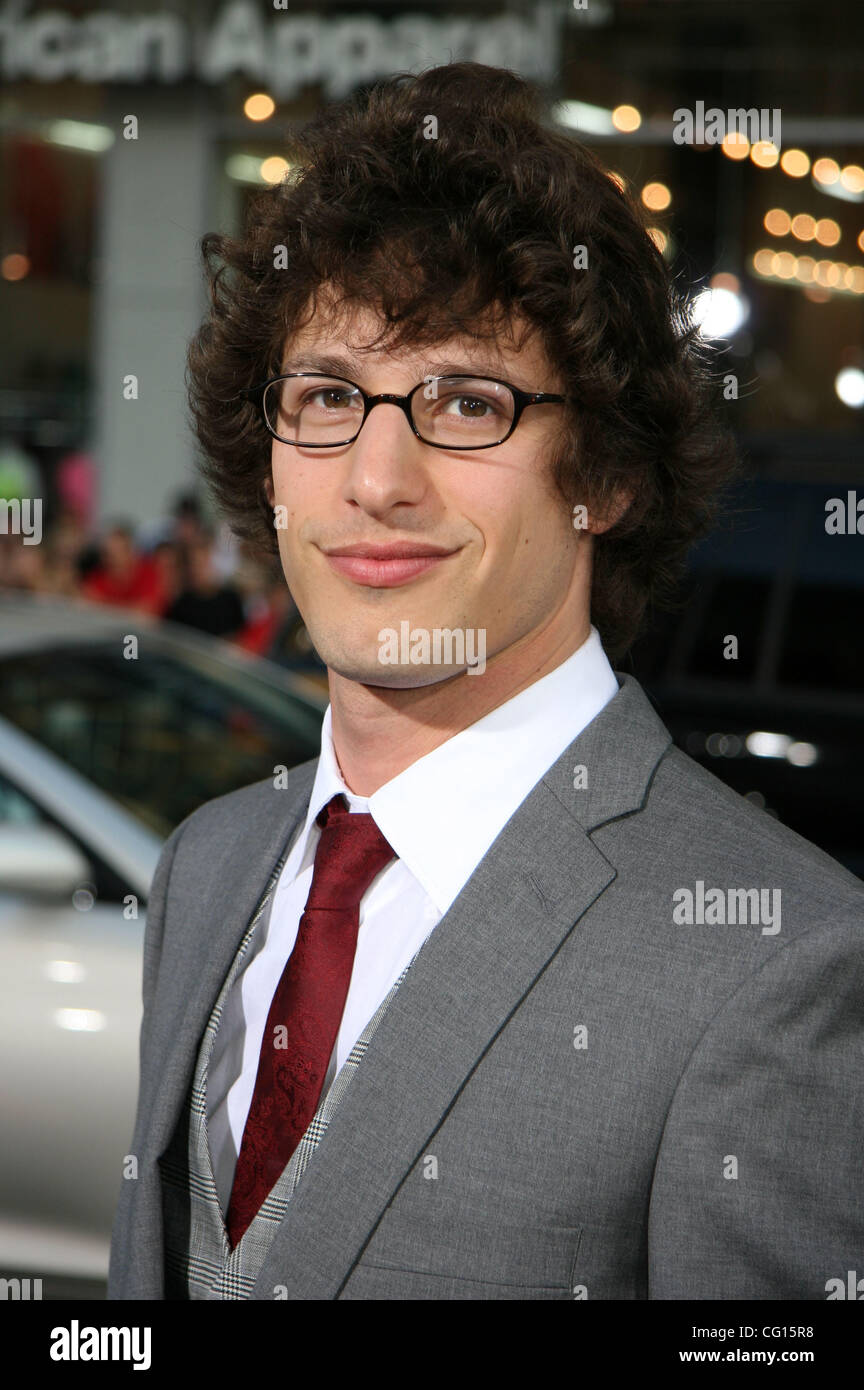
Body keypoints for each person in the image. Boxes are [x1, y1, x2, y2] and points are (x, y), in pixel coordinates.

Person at [108, 62, 863, 1301]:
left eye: (467, 403)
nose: (375, 478)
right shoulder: (209, 864)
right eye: (327, 396)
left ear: (605, 476)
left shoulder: (782, 963)